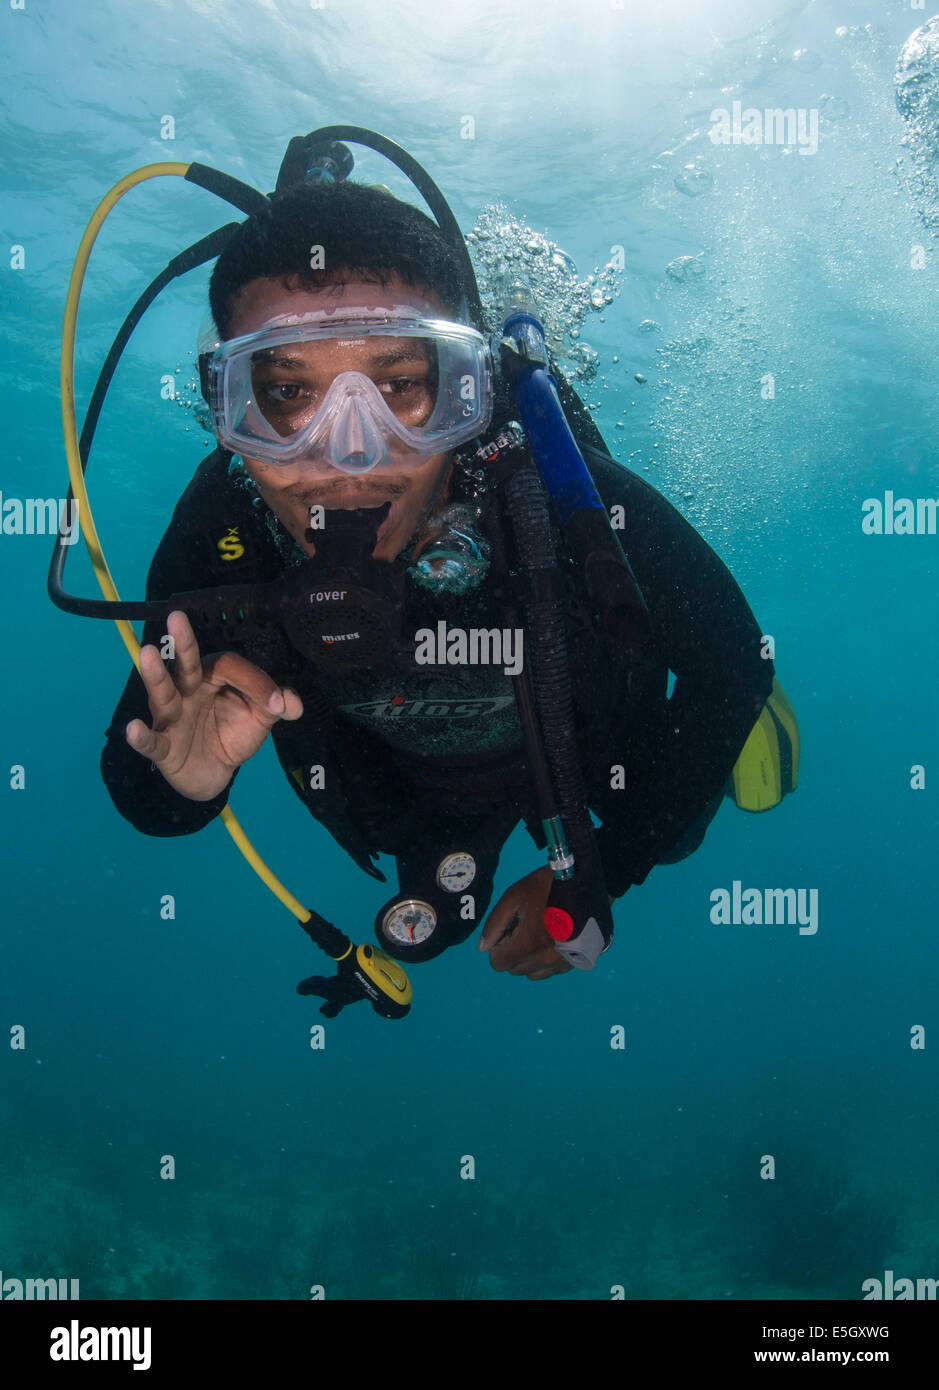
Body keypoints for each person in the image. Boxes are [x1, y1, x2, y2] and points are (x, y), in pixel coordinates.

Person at [100, 177, 780, 985]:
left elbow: (733, 660)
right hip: (409, 788)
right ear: (229, 408)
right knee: (431, 920)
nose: (350, 457)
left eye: (401, 385)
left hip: (581, 743)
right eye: (286, 393)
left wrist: (615, 861)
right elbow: (148, 789)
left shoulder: (555, 492)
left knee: (677, 833)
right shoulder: (226, 531)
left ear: (468, 391)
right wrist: (183, 782)